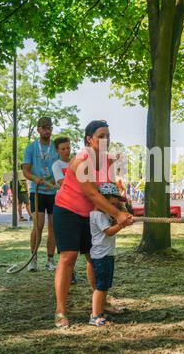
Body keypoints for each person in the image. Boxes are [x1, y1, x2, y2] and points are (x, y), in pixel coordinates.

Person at [53, 120, 133, 329]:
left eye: (108, 135)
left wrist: (121, 208)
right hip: (67, 211)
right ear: (89, 139)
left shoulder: (107, 161)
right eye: (101, 136)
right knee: (68, 258)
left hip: (91, 214)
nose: (106, 139)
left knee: (94, 256)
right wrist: (116, 214)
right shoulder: (81, 161)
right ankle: (60, 311)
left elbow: (107, 190)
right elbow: (91, 193)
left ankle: (101, 303)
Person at [89, 183, 132, 326]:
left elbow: (115, 219)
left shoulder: (104, 214)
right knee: (101, 287)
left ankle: (100, 312)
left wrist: (122, 215)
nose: (114, 207)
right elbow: (108, 232)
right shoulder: (98, 215)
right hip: (101, 256)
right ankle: (95, 316)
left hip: (107, 255)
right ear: (103, 200)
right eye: (112, 204)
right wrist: (121, 225)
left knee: (105, 286)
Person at [22, 117, 59, 272]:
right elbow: (26, 170)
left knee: (53, 227)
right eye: (44, 128)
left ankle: (50, 260)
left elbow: (61, 167)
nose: (47, 130)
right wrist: (34, 178)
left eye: (49, 127)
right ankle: (33, 258)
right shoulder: (31, 148)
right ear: (38, 129)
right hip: (36, 192)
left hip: (53, 191)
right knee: (38, 226)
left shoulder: (56, 147)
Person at [52, 136, 77, 285]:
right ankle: (69, 273)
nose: (66, 151)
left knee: (76, 244)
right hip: (64, 206)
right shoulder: (56, 165)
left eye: (68, 147)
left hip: (78, 206)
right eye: (63, 149)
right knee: (67, 246)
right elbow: (62, 183)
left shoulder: (76, 161)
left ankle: (72, 271)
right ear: (57, 150)